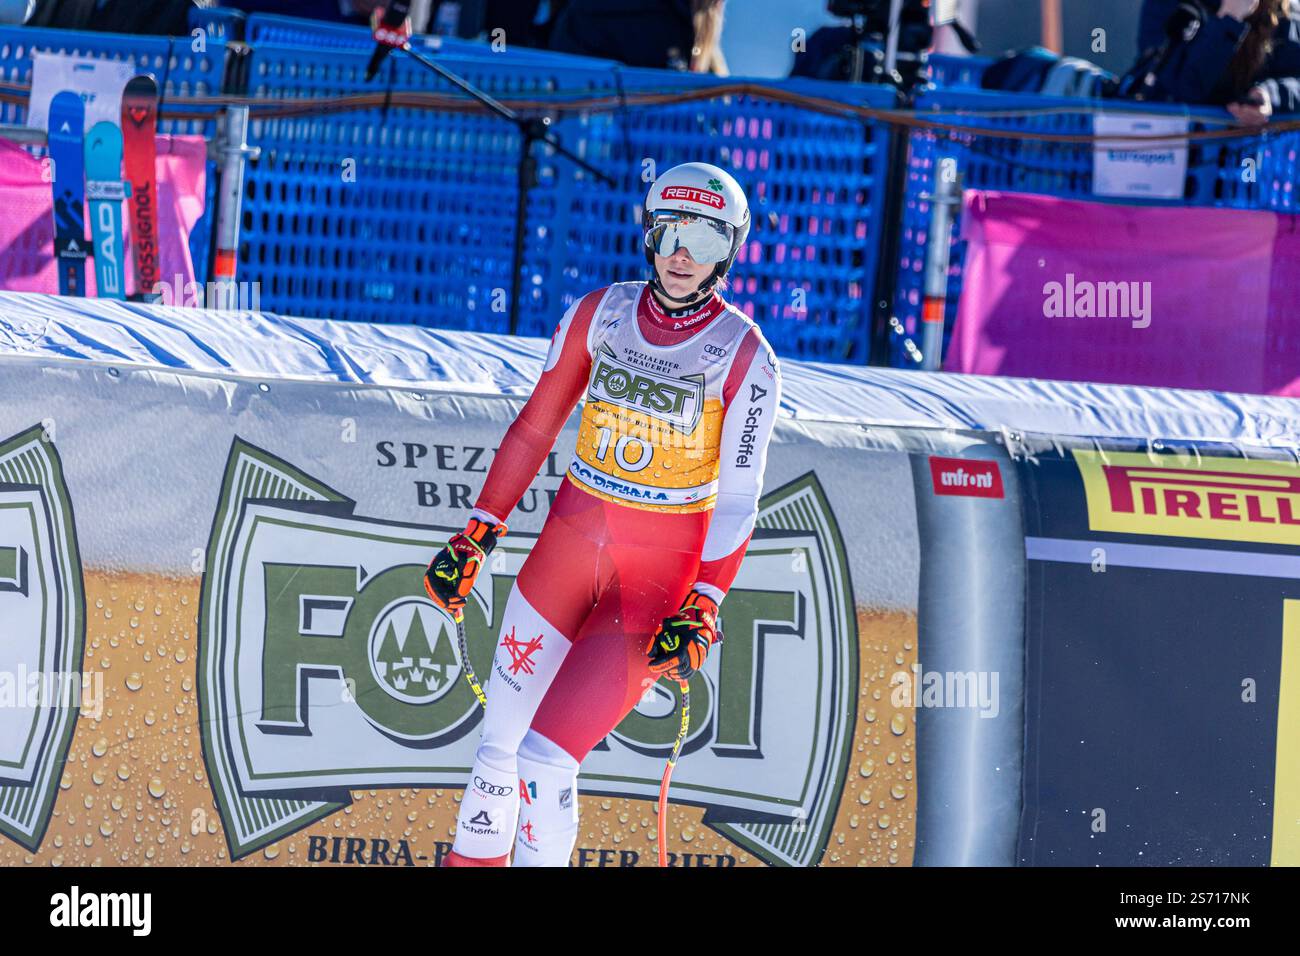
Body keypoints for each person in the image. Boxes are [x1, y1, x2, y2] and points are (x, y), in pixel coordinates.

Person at [423, 161, 781, 867]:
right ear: (648, 233)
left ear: (730, 252)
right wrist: (478, 532)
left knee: (545, 762)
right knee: (496, 757)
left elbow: (739, 498)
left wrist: (706, 602)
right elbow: (535, 426)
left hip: (651, 589)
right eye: (672, 232)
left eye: (706, 241)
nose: (683, 255)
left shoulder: (746, 357)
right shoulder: (600, 313)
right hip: (566, 553)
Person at [1121, 0, 1300, 124]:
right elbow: (1174, 89)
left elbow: (1295, 79)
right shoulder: (1171, 7)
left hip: (1251, 162)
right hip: (1172, 157)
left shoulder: (1286, 12)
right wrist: (1229, 18)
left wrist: (1270, 96)